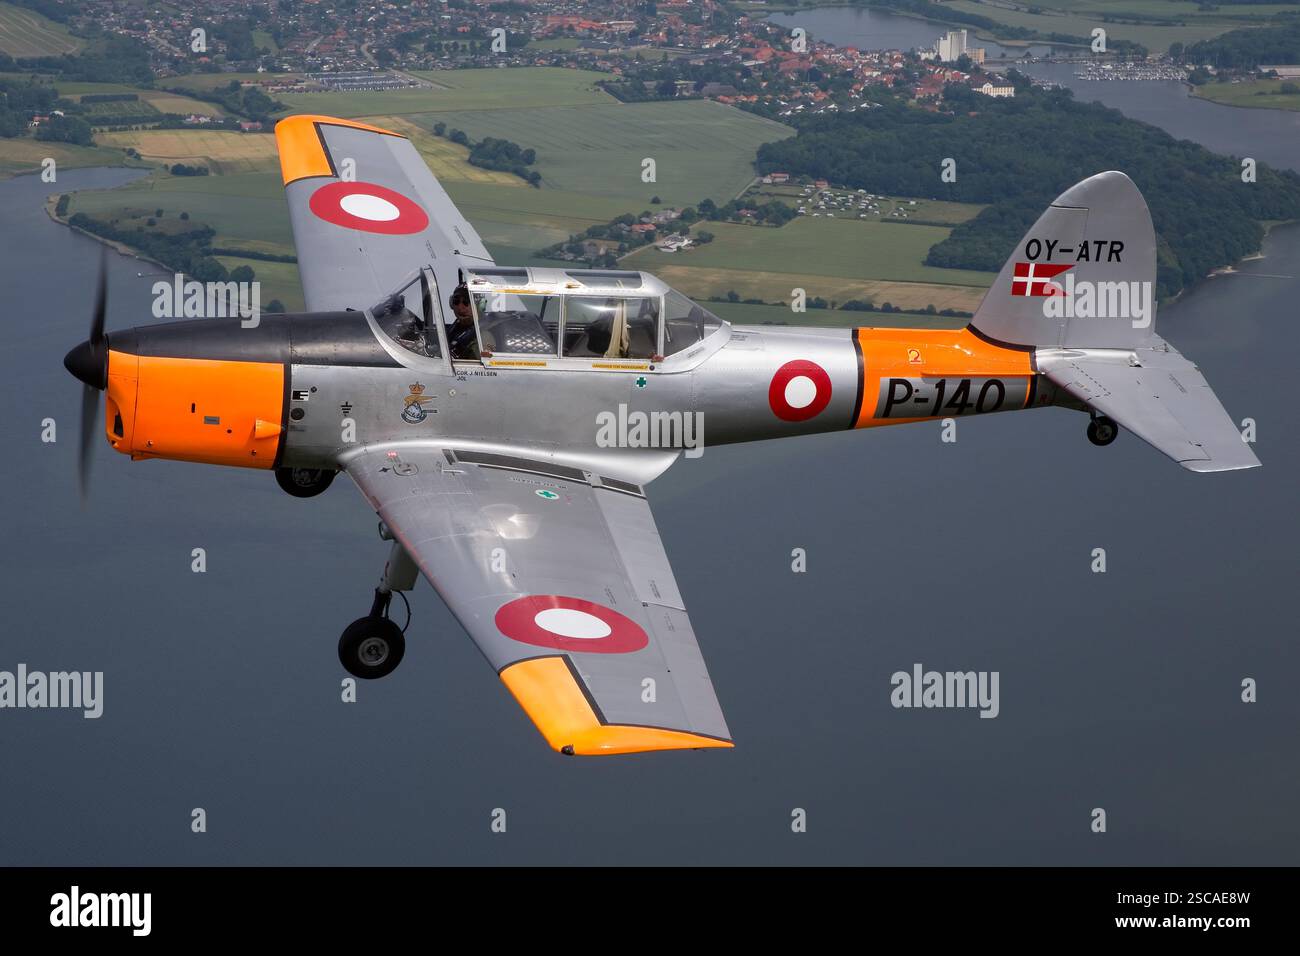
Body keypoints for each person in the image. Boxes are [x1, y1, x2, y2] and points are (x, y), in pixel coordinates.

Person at [447, 285, 479, 360]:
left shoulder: (483, 335)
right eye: (456, 301)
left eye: (466, 301)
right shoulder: (456, 327)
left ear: (478, 305)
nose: (460, 307)